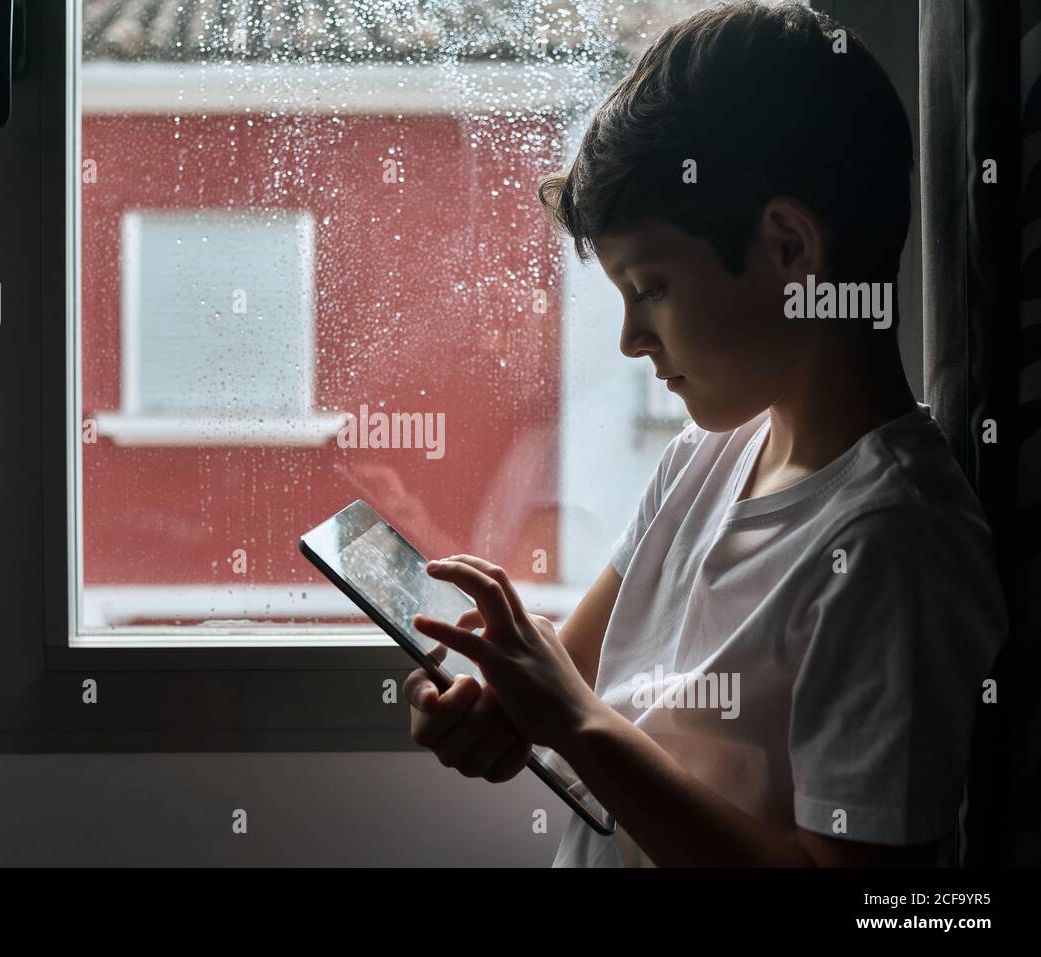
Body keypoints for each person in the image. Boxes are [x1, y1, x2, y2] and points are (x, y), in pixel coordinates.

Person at [404, 0, 1008, 867]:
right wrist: (490, 697)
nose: (629, 338)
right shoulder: (704, 459)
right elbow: (567, 687)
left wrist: (571, 721)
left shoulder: (893, 546)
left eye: (649, 285)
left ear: (790, 248)